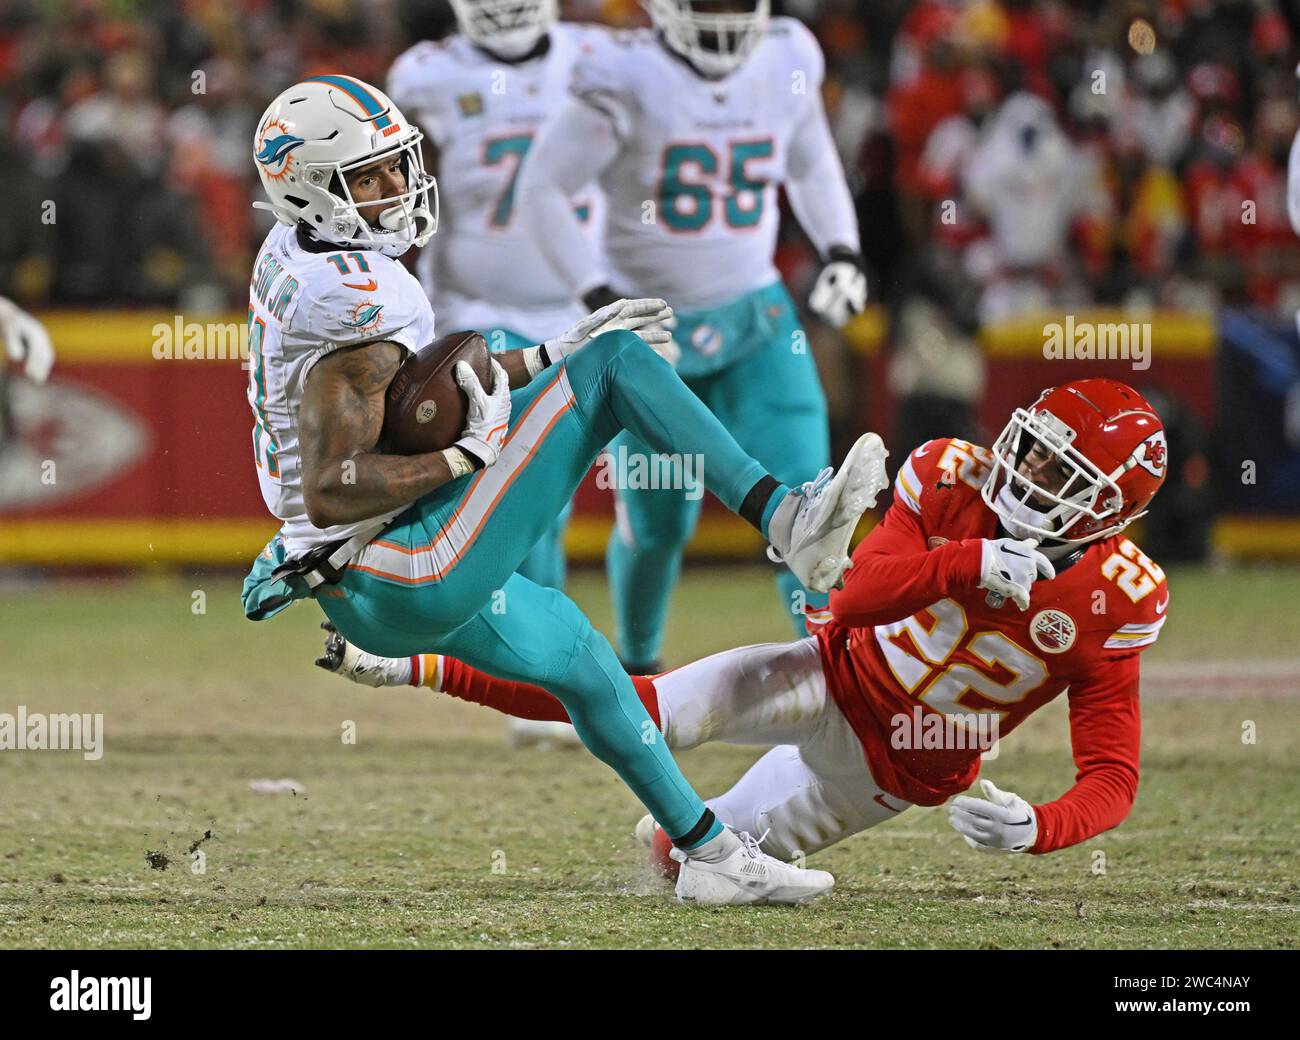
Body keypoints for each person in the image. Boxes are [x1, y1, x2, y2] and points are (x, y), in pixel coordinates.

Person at [240, 74, 889, 905]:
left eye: (398, 167)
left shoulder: (300, 255)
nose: (396, 189)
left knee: (582, 660)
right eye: (367, 179)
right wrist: (466, 460)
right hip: (394, 561)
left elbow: (416, 396)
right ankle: (784, 517)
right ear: (310, 190)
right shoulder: (351, 296)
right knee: (615, 367)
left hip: (363, 578)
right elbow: (337, 486)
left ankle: (711, 855)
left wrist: (546, 356)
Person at [319, 379, 1170, 873]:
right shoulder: (953, 477)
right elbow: (860, 595)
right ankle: (413, 666)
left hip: (889, 766)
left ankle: (692, 843)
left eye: (1057, 469)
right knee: (634, 706)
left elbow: (1113, 773)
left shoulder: (1122, 597)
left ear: (1108, 505)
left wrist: (1042, 827)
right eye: (1028, 446)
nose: (1023, 470)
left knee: (675, 856)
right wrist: (966, 564)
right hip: (834, 666)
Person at [515, 0, 868, 672]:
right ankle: (641, 668)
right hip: (650, 337)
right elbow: (542, 188)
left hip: (757, 321)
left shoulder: (788, 53)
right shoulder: (625, 72)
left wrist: (843, 250)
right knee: (657, 529)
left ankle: (839, 676)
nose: (724, 14)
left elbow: (812, 162)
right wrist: (601, 299)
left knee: (812, 507)